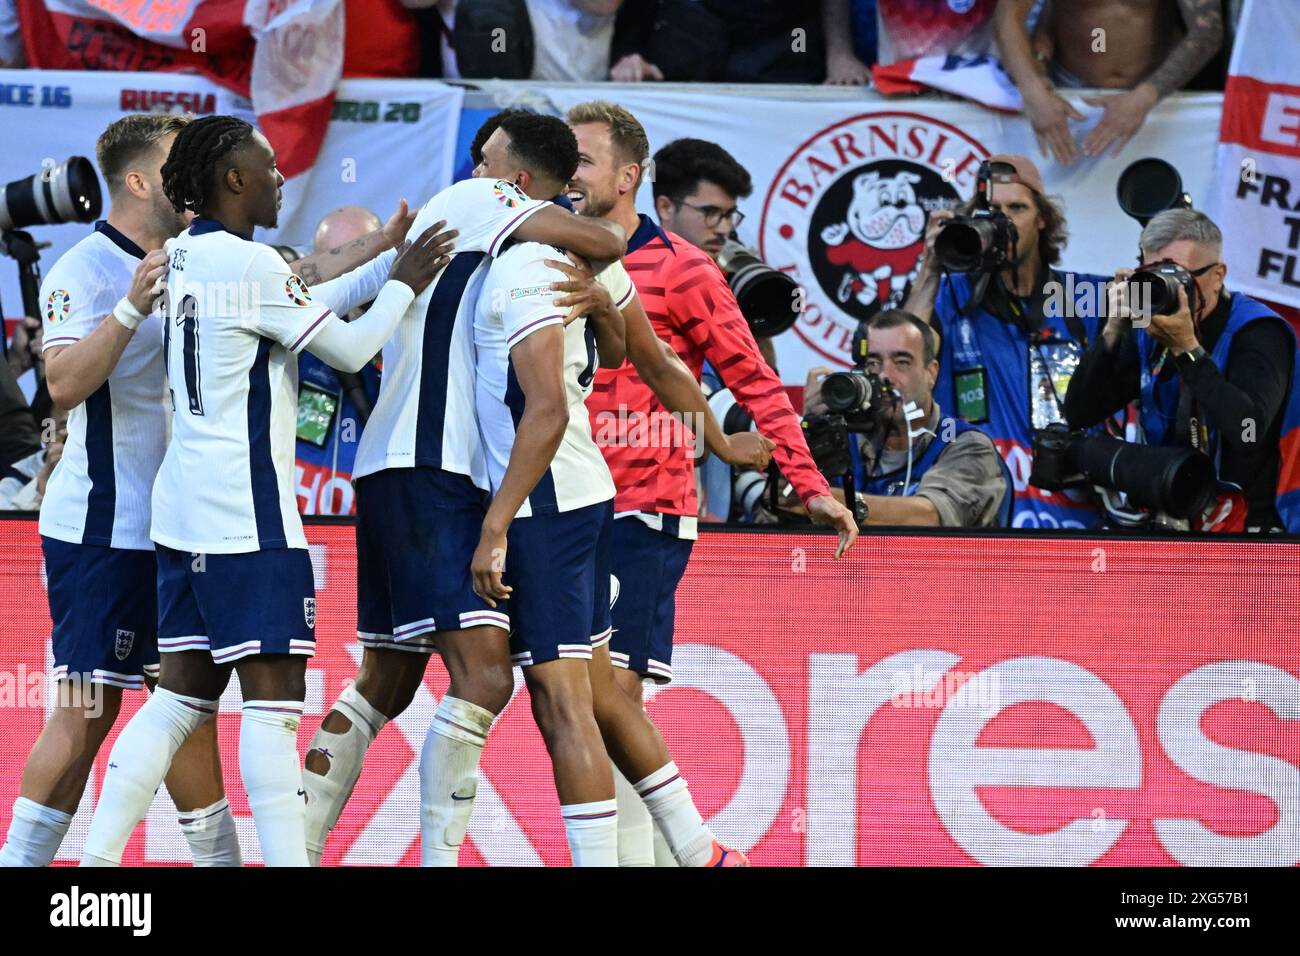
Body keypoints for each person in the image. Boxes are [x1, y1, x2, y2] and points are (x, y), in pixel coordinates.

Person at [78, 114, 454, 867]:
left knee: (178, 701)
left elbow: (300, 299)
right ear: (234, 179)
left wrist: (391, 266)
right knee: (274, 714)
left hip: (182, 517)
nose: (284, 178)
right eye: (271, 165)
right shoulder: (249, 268)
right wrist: (405, 289)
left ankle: (91, 869)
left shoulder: (181, 255)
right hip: (247, 520)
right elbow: (347, 342)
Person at [301, 120, 633, 868]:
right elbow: (612, 247)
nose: (473, 167)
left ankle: (299, 844)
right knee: (486, 677)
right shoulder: (488, 210)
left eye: (487, 157)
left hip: (389, 471)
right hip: (435, 470)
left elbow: (330, 284)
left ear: (515, 179)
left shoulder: (478, 227)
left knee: (385, 679)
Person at [568, 100, 857, 863]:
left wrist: (809, 482)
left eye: (585, 160)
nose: (570, 174)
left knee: (616, 701)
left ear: (629, 176)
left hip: (642, 510)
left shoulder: (685, 270)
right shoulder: (545, 256)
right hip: (558, 507)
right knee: (574, 705)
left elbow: (756, 384)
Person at [0, 115, 243, 868]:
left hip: (182, 533)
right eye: (181, 164)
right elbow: (63, 385)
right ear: (140, 182)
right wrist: (134, 304)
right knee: (82, 717)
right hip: (104, 531)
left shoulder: (206, 259)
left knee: (187, 717)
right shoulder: (85, 268)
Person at [904, 153, 1107, 530]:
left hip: (1077, 523)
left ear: (1043, 219)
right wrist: (931, 267)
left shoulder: (1084, 294)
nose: (1003, 221)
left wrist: (1147, 279)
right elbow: (901, 362)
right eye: (991, 210)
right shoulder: (945, 296)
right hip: (980, 519)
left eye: (1016, 208)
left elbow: (1165, 312)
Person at [1064, 208, 1300, 531]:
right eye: (1155, 277)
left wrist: (1187, 349)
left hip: (1254, 533)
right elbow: (1080, 413)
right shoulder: (1150, 329)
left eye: (1180, 276)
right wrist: (1111, 331)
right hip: (1174, 522)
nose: (1168, 291)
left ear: (1218, 276)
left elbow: (1249, 433)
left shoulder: (1259, 333)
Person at [804, 310, 1011, 527]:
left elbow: (930, 516)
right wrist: (808, 433)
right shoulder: (842, 440)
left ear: (931, 373)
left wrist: (818, 499)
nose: (885, 375)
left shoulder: (965, 443)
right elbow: (779, 503)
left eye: (902, 362)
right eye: (873, 363)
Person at [994, 0, 1224, 163]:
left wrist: (1146, 96)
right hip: (1068, 89)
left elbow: (1207, 30)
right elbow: (1008, 14)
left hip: (1159, 90)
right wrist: (1032, 89)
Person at [649, 137, 781, 371]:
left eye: (729, 214)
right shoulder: (630, 279)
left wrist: (754, 318)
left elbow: (761, 384)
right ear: (665, 208)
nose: (724, 229)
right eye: (711, 212)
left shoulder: (728, 277)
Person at [293, 207, 386, 516]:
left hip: (368, 530)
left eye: (361, 263)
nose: (348, 279)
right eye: (337, 262)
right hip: (299, 529)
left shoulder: (408, 340)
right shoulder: (289, 334)